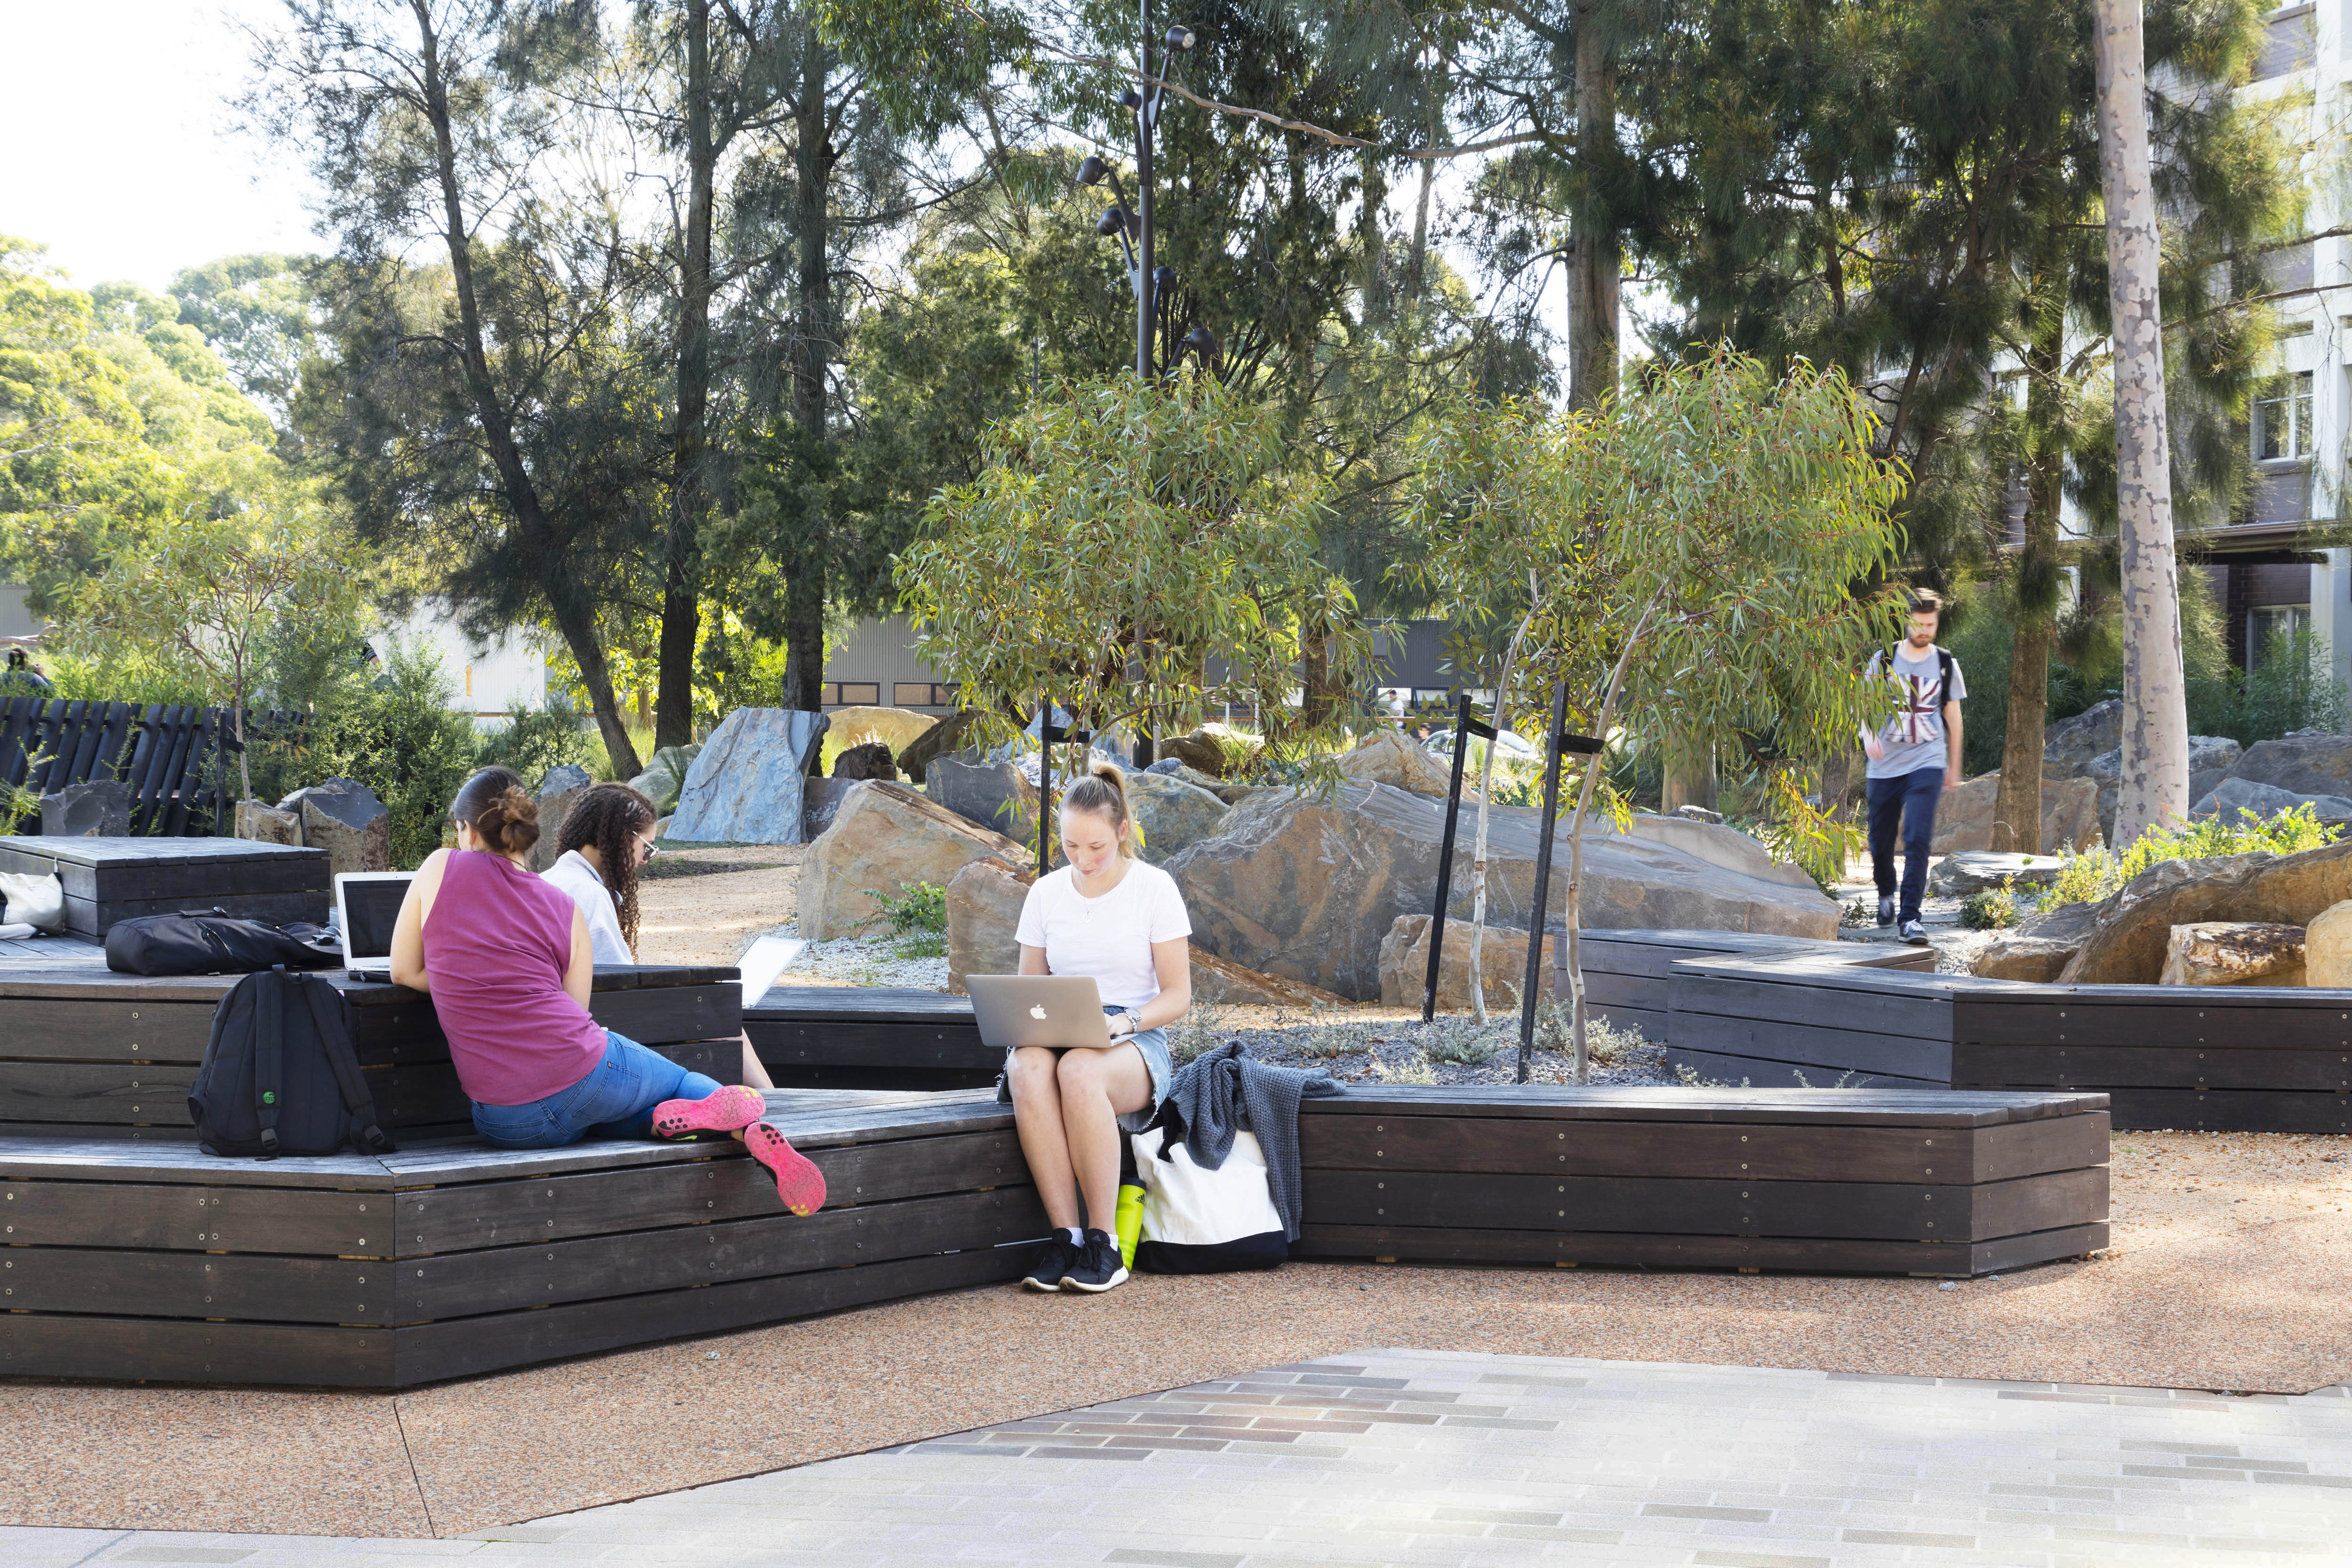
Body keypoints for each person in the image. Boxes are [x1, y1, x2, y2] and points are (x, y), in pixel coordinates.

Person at [389, 766, 821, 1212]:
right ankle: (739, 1125)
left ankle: (667, 1123)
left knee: (587, 1119)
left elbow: (402, 971)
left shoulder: (439, 866)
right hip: (577, 1074)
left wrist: (454, 979)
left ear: (468, 830)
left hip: (504, 1123)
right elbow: (575, 1009)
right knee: (676, 1082)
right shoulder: (564, 906)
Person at [1005, 764, 1192, 1294]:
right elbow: (1029, 990)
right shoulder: (1044, 894)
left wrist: (1122, 1023)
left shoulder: (1154, 889)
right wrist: (1035, 1028)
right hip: (1063, 1025)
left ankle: (1103, 1244)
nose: (1083, 862)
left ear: (1121, 833)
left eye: (1096, 848)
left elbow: (1177, 997)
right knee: (1028, 1063)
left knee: (1081, 1069)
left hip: (1135, 1036)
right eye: (1070, 848)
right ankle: (1064, 1237)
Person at [540, 781, 775, 1090]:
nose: (644, 860)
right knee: (720, 1015)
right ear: (622, 838)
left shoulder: (547, 880)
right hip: (595, 1044)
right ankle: (775, 1103)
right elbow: (621, 989)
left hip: (559, 1030)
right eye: (647, 848)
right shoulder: (590, 895)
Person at [1862, 590, 1965, 943]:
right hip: (1885, 764)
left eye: (1931, 625)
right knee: (1880, 843)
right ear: (1907, 620)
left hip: (1927, 761)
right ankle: (1886, 893)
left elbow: (1953, 716)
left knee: (1918, 838)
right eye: (1918, 624)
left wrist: (1954, 765)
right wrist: (1867, 738)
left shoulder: (1945, 663)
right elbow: (1863, 708)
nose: (1924, 630)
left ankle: (1911, 918)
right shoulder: (1884, 659)